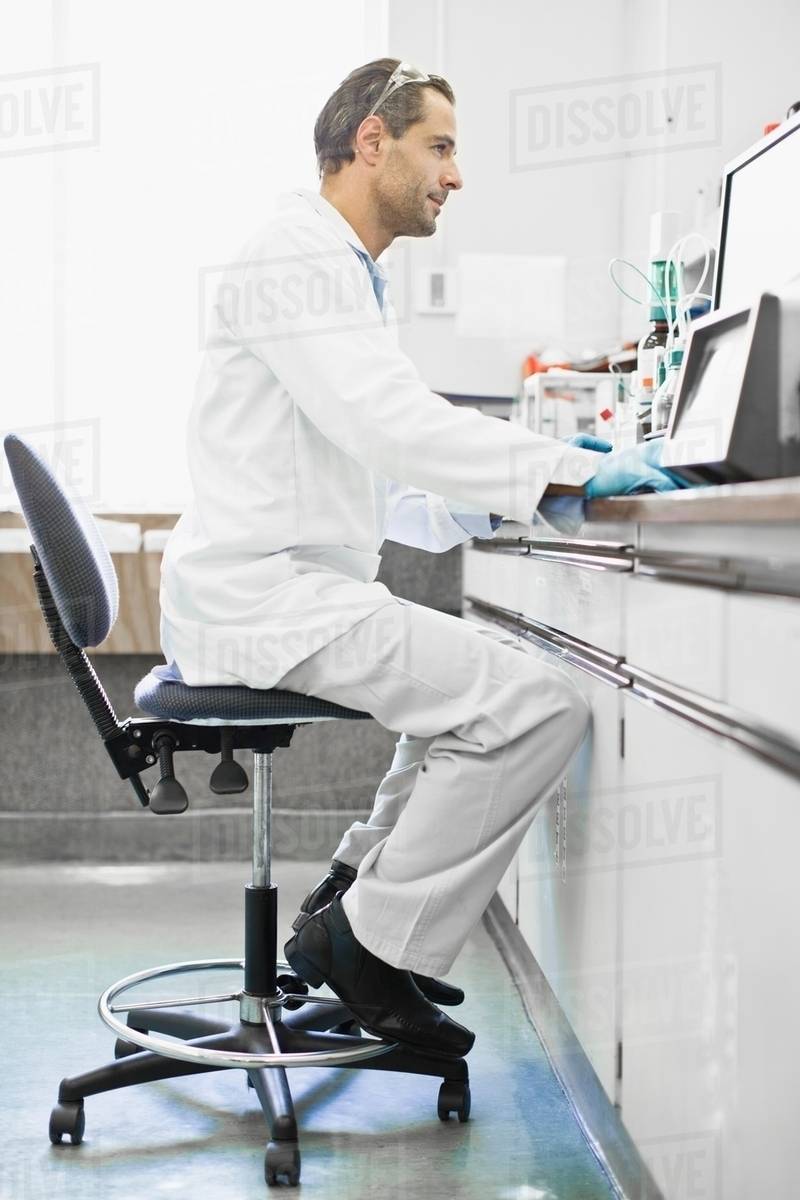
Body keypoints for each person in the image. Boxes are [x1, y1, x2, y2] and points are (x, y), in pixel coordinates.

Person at [160, 59, 689, 1059]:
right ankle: (367, 941)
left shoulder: (338, 268)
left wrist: (516, 499)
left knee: (475, 696)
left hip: (282, 584)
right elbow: (390, 423)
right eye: (439, 147)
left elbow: (381, 469)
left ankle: (354, 896)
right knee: (533, 706)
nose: (455, 175)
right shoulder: (297, 257)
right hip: (262, 595)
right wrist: (561, 471)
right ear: (373, 141)